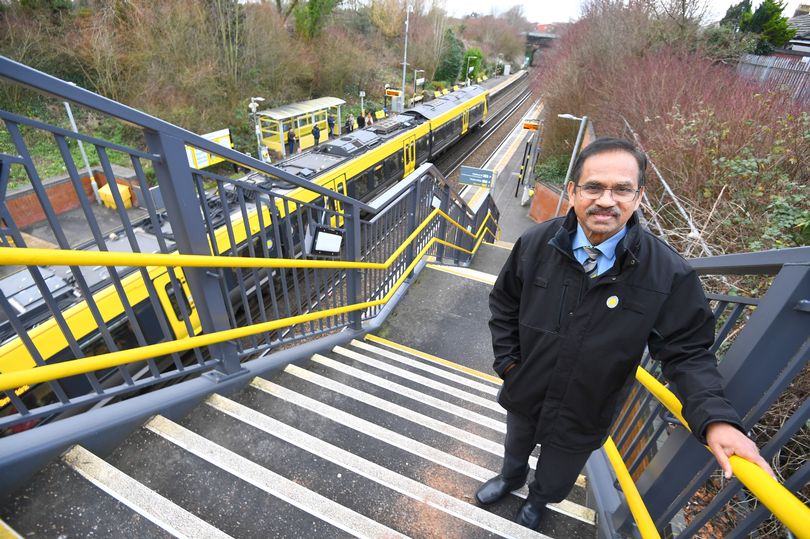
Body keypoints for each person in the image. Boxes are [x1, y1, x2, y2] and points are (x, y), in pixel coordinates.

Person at [478, 137, 773, 530]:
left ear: (639, 196)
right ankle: (510, 479)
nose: (606, 200)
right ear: (572, 191)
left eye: (621, 189)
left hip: (587, 406)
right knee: (515, 446)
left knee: (558, 473)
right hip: (526, 387)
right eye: (594, 187)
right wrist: (510, 364)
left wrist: (716, 418)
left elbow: (686, 351)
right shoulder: (536, 243)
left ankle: (538, 500)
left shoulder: (666, 272)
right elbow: (504, 304)